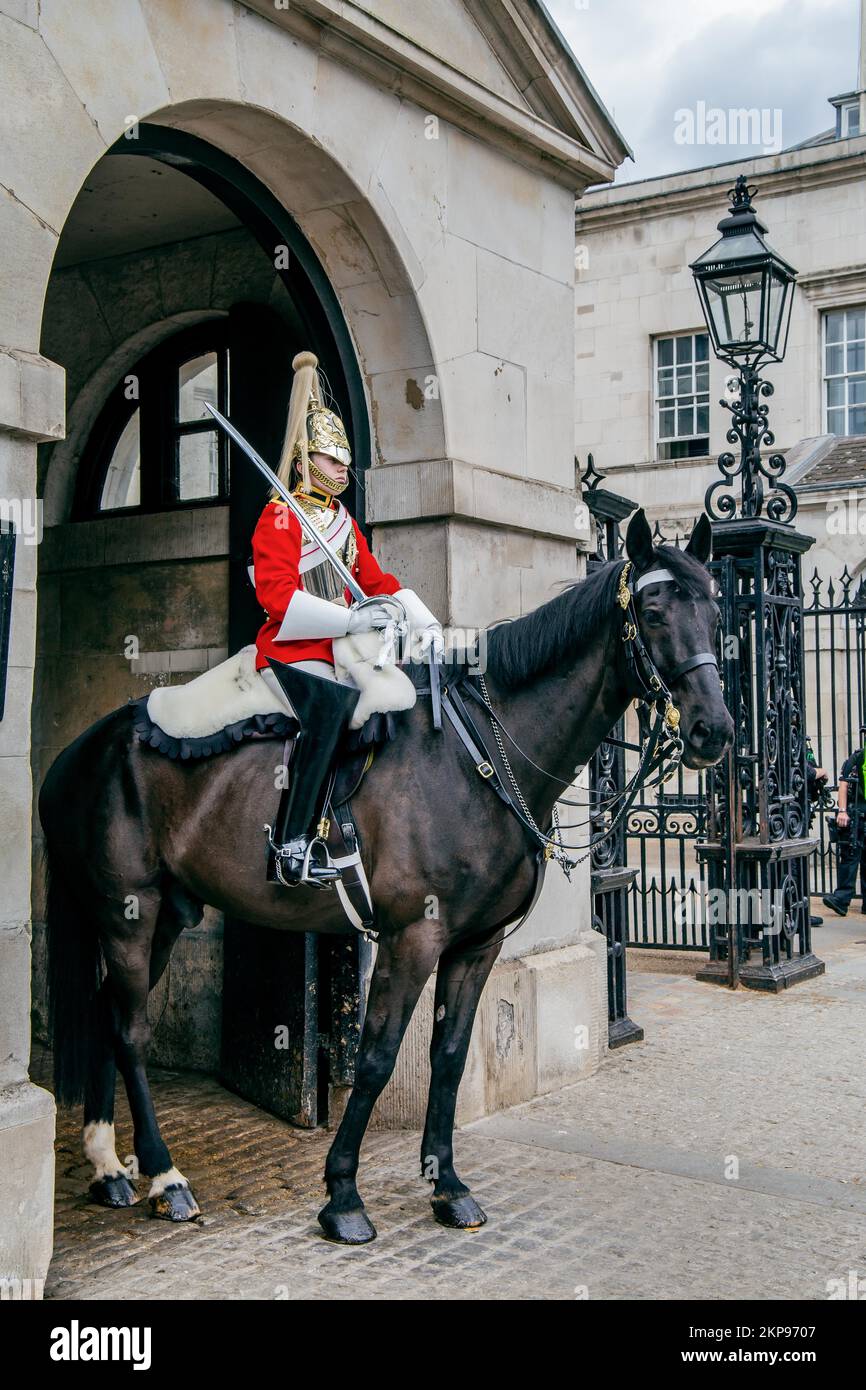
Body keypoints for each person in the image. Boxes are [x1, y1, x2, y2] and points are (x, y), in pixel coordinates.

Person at [252, 350, 442, 887]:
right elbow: (278, 599)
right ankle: (290, 847)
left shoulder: (341, 522)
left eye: (343, 462)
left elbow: (376, 582)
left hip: (338, 650)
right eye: (332, 461)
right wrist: (352, 621)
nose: (342, 469)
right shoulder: (281, 515)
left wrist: (420, 616)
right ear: (305, 460)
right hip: (288, 652)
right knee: (333, 709)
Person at [822, 725, 866, 918]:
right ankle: (842, 898)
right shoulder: (858, 757)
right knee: (850, 856)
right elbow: (844, 782)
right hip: (857, 814)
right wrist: (842, 810)